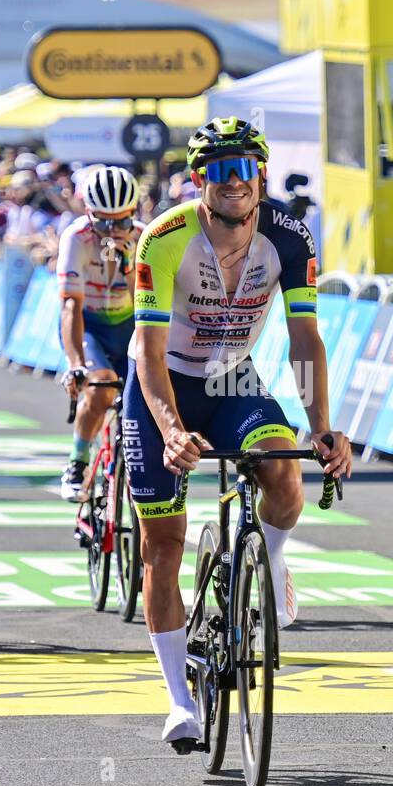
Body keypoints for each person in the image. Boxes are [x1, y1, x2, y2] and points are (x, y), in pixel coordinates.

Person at [127, 117, 353, 746]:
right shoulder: (162, 239)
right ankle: (179, 701)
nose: (233, 182)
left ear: (260, 175)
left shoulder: (289, 235)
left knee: (283, 466)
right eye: (219, 171)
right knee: (162, 546)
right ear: (199, 180)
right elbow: (146, 350)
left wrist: (323, 427)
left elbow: (305, 335)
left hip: (232, 380)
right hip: (163, 385)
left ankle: (272, 561)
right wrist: (171, 430)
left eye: (244, 169)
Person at [57, 165, 143, 500]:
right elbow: (70, 307)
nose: (113, 230)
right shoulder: (76, 238)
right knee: (100, 386)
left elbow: (147, 307)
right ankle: (77, 462)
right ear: (89, 214)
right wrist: (76, 363)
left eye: (121, 221)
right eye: (103, 222)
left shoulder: (144, 236)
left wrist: (130, 268)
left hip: (129, 326)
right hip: (90, 326)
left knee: (147, 395)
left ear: (133, 214)